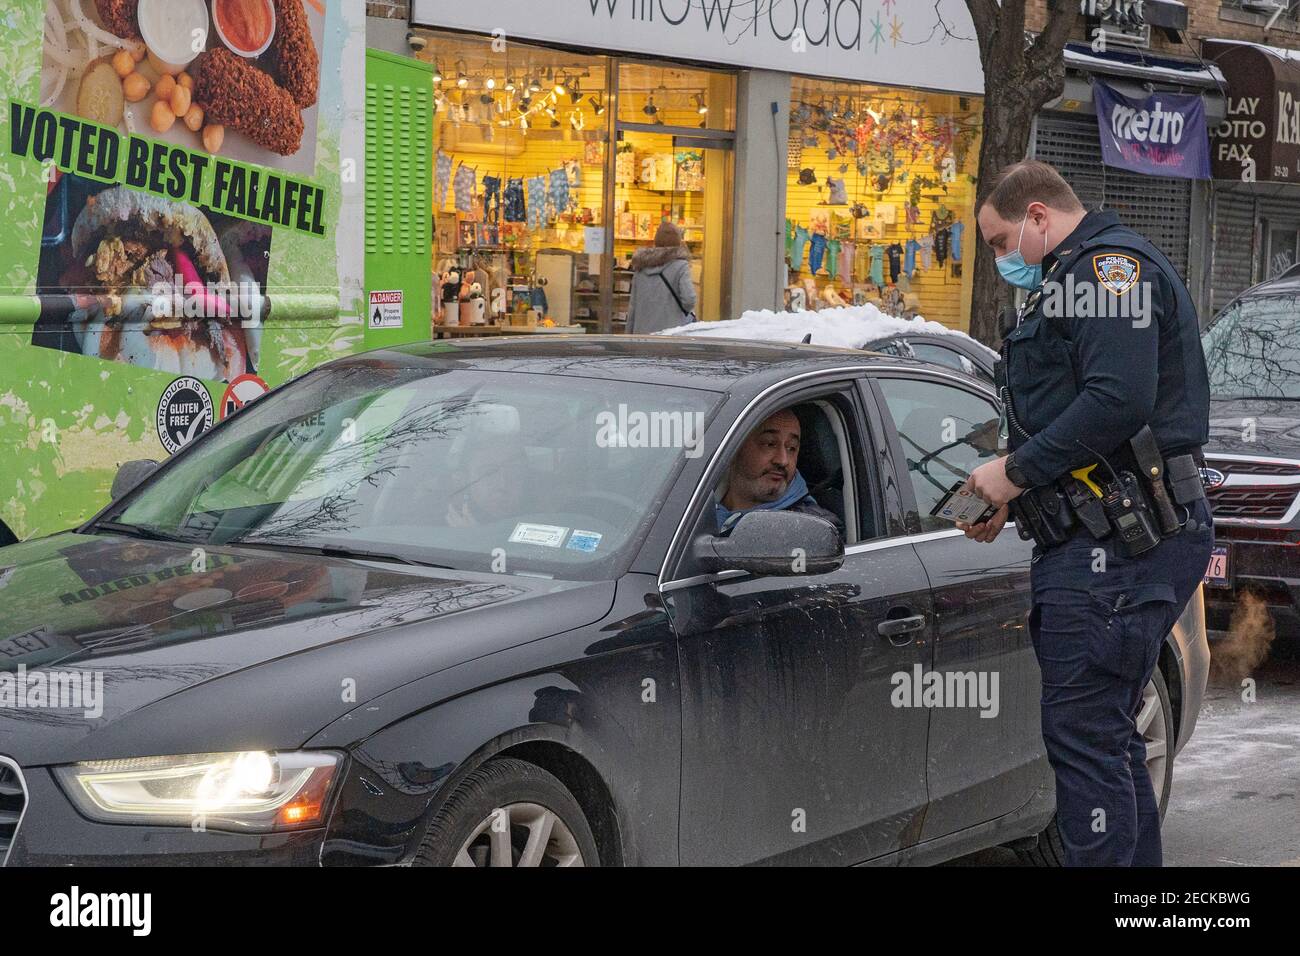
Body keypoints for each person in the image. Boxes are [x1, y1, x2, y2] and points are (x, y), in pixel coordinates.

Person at [960, 160, 1213, 867]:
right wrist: (1014, 496)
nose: (1001, 259)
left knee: (1086, 738)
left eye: (1001, 241)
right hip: (1105, 536)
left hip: (1122, 547)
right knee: (1105, 736)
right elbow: (1072, 415)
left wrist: (1011, 473)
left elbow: (1116, 401)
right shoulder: (1076, 279)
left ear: (1038, 215)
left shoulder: (1108, 275)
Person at [716, 409, 844, 539]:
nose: (782, 461)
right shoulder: (700, 494)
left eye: (792, 448)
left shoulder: (814, 529)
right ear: (735, 447)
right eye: (770, 444)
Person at [627, 221, 697, 334]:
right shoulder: (680, 266)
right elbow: (689, 300)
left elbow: (633, 306)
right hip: (671, 333)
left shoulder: (641, 266)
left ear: (656, 241)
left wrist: (629, 335)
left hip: (643, 335)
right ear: (678, 242)